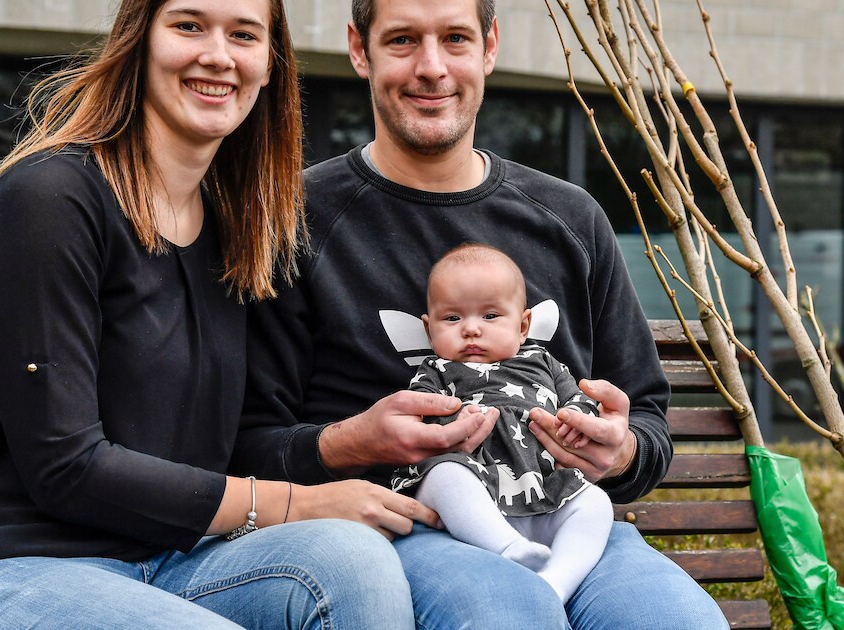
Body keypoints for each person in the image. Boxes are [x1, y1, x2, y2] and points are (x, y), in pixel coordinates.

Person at [0, 1, 423, 628]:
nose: (218, 56)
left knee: (354, 561)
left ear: (270, 66)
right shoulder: (48, 202)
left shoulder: (238, 233)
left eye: (244, 35)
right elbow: (64, 467)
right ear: (139, 43)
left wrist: (355, 441)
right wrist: (295, 503)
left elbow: (237, 446)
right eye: (189, 25)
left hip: (163, 564)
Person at [242, 0, 730, 626]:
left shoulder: (570, 220)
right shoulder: (292, 222)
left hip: (569, 521)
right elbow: (247, 446)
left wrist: (620, 451)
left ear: (489, 46)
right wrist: (353, 442)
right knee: (510, 614)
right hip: (406, 528)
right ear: (359, 51)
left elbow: (649, 426)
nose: (432, 67)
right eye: (401, 41)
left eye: (454, 38)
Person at [392, 243, 613, 604]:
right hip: (470, 494)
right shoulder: (435, 370)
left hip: (542, 487)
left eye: (490, 316)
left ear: (523, 325)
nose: (471, 330)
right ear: (429, 330)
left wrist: (576, 423)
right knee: (444, 475)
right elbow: (412, 418)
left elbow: (579, 400)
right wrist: (444, 424)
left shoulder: (544, 363)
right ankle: (508, 548)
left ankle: (557, 583)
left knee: (595, 504)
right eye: (453, 319)